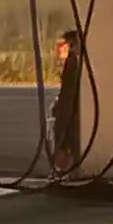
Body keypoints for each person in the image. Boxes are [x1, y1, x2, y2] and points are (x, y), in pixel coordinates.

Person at [49, 30, 82, 175]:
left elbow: (69, 89)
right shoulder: (74, 59)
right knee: (66, 139)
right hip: (70, 106)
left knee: (66, 138)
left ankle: (65, 170)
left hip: (71, 108)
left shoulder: (73, 60)